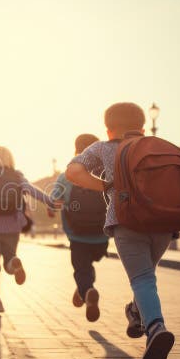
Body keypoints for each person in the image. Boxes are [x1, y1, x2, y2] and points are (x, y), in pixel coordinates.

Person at [66, 102, 176, 359]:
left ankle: (155, 328)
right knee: (147, 275)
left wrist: (105, 185)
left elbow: (73, 172)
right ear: (141, 127)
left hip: (127, 220)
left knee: (142, 278)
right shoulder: (158, 145)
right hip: (163, 222)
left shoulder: (103, 148)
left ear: (108, 128)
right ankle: (136, 313)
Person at [0, 146, 57, 315]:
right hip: (12, 224)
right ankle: (14, 263)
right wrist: (49, 201)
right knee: (8, 259)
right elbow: (31, 190)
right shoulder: (17, 175)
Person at [51, 134, 109, 322]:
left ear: (76, 150)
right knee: (88, 266)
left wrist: (52, 209)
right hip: (102, 236)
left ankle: (87, 290)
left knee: (82, 269)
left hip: (77, 235)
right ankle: (85, 289)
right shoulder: (106, 173)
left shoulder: (67, 175)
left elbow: (55, 201)